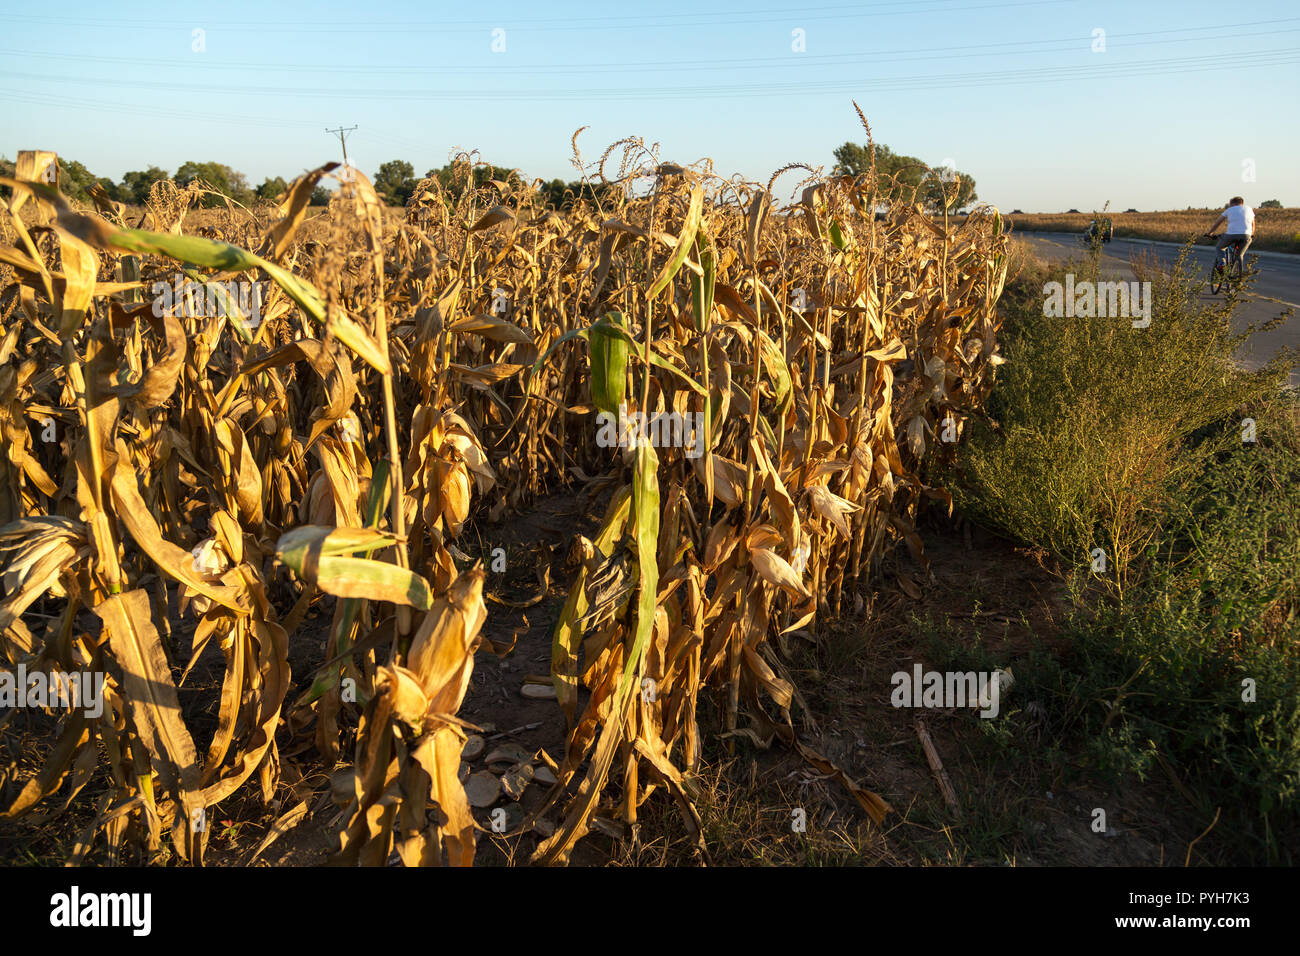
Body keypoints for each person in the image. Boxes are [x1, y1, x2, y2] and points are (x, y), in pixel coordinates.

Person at [1205, 197, 1255, 272]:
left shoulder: (1229, 210)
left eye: (1230, 204)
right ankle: (1239, 277)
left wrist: (1210, 233)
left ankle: (1222, 262)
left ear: (1233, 203)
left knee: (1219, 248)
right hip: (1246, 236)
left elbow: (1217, 223)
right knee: (1240, 255)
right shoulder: (1249, 209)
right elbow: (1253, 225)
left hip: (1231, 235)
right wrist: (1251, 235)